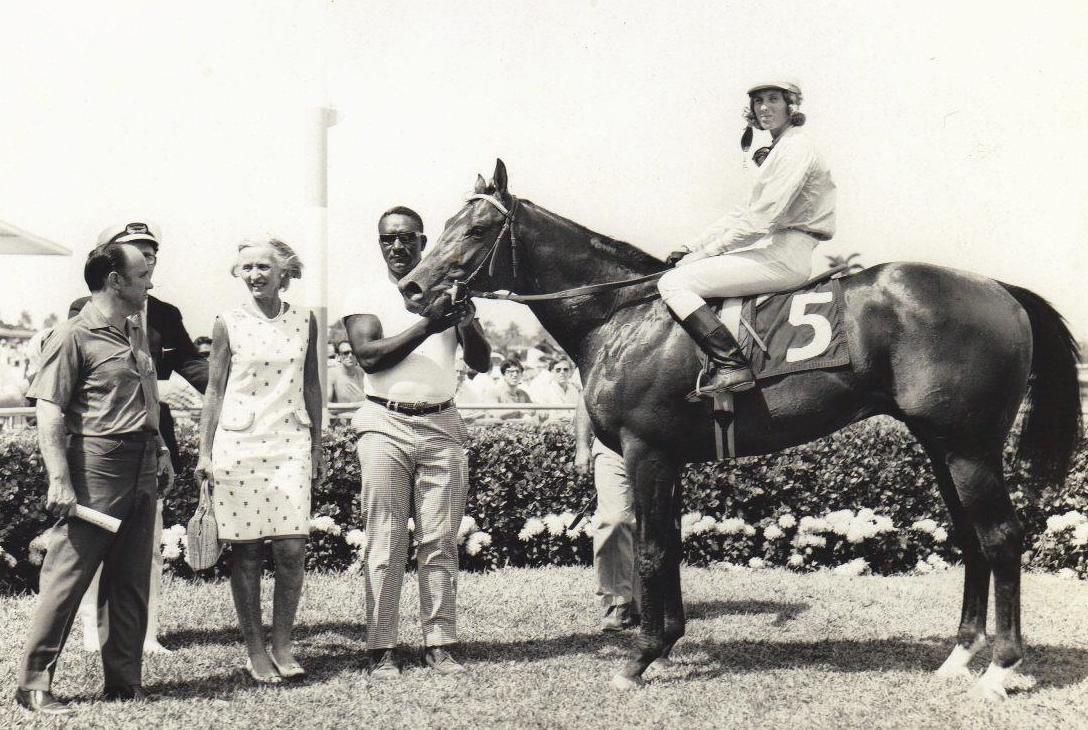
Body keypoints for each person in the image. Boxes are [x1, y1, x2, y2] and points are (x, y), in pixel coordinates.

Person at [17, 241, 169, 714]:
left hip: (141, 462)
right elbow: (49, 410)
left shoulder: (135, 332)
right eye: (143, 273)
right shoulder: (72, 336)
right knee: (68, 577)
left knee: (130, 579)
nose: (150, 281)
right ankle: (33, 684)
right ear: (114, 280)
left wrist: (160, 447)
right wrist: (59, 480)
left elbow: (146, 399)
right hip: (96, 465)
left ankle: (124, 681)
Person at [342, 205, 491, 678]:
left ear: (424, 242)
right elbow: (369, 357)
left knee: (440, 541)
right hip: (384, 423)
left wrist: (464, 318)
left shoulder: (448, 292)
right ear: (380, 244)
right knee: (384, 540)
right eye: (388, 239)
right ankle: (382, 646)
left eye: (407, 238)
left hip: (442, 423)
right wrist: (431, 322)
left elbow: (483, 361)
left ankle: (440, 643)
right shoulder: (365, 292)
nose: (398, 247)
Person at [70, 220, 209, 655]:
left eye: (151, 250)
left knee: (147, 544)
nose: (147, 257)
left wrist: (238, 391)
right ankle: (94, 629)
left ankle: (145, 632)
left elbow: (193, 366)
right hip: (102, 445)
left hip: (153, 444)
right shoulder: (83, 309)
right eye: (136, 249)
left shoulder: (166, 313)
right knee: (97, 538)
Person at [195, 237, 323, 684]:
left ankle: (283, 644)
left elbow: (312, 386)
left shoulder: (306, 320)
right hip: (239, 444)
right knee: (246, 555)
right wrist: (205, 452)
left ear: (282, 271)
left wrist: (317, 445)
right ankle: (255, 650)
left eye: (263, 267)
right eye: (246, 267)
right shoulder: (227, 322)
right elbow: (214, 389)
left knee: (292, 549)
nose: (254, 275)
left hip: (290, 441)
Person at [657, 79, 836, 400]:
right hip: (776, 248)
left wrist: (704, 255)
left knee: (673, 284)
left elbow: (761, 219)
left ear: (790, 106)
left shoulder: (796, 147)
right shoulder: (783, 146)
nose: (764, 107)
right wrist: (692, 246)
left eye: (772, 100)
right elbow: (745, 212)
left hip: (785, 255)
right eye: (758, 101)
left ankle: (732, 365)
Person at [573, 400, 640, 632]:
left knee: (654, 524)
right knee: (613, 520)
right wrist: (582, 445)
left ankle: (645, 602)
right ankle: (615, 602)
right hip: (611, 448)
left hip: (654, 447)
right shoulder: (606, 360)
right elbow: (586, 397)